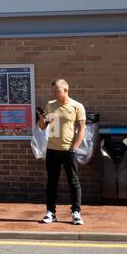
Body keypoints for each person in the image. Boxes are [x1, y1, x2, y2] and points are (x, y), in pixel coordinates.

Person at [37, 79, 86, 225]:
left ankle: (76, 212)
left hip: (69, 150)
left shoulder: (77, 106)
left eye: (57, 91)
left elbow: (82, 128)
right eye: (53, 91)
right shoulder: (50, 105)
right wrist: (41, 119)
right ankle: (51, 212)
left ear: (66, 90)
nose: (54, 93)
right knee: (52, 182)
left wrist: (75, 147)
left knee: (73, 182)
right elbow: (43, 127)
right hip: (52, 149)